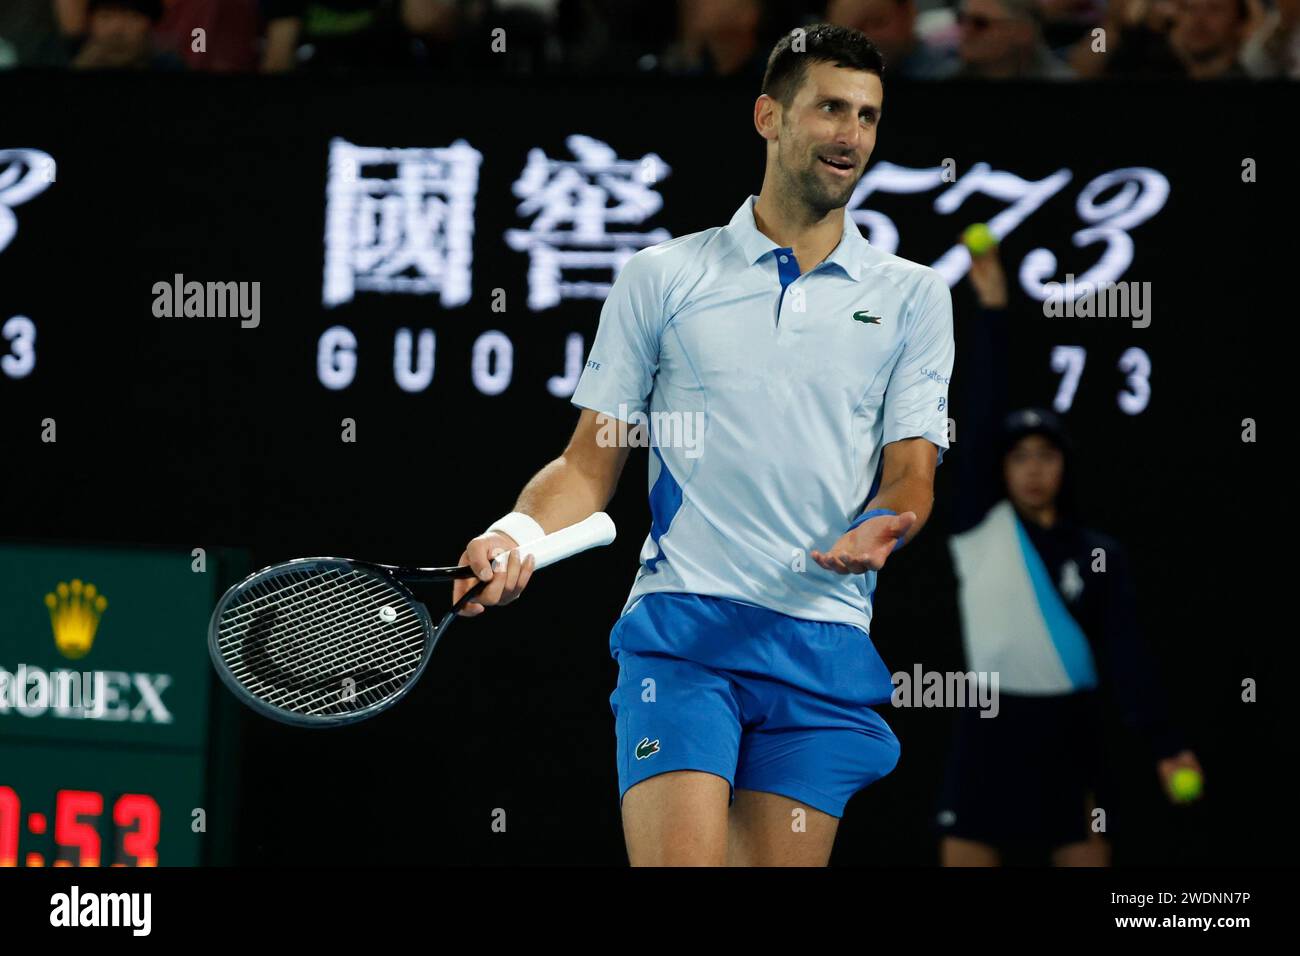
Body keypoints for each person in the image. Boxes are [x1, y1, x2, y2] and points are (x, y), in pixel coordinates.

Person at [451, 22, 954, 866]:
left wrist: (890, 522)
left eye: (867, 117)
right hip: (684, 634)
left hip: (821, 644)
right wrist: (518, 534)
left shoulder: (913, 298)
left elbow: (911, 472)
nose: (851, 136)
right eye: (831, 108)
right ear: (769, 117)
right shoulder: (664, 277)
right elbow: (588, 461)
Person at [936, 242, 1203, 867]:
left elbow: (1127, 650)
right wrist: (995, 310)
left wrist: (1167, 745)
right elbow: (980, 417)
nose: (1032, 470)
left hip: (1071, 733)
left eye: (1046, 455)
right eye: (1019, 456)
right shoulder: (980, 523)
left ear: (1065, 466)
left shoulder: (1097, 553)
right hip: (988, 730)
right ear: (1001, 469)